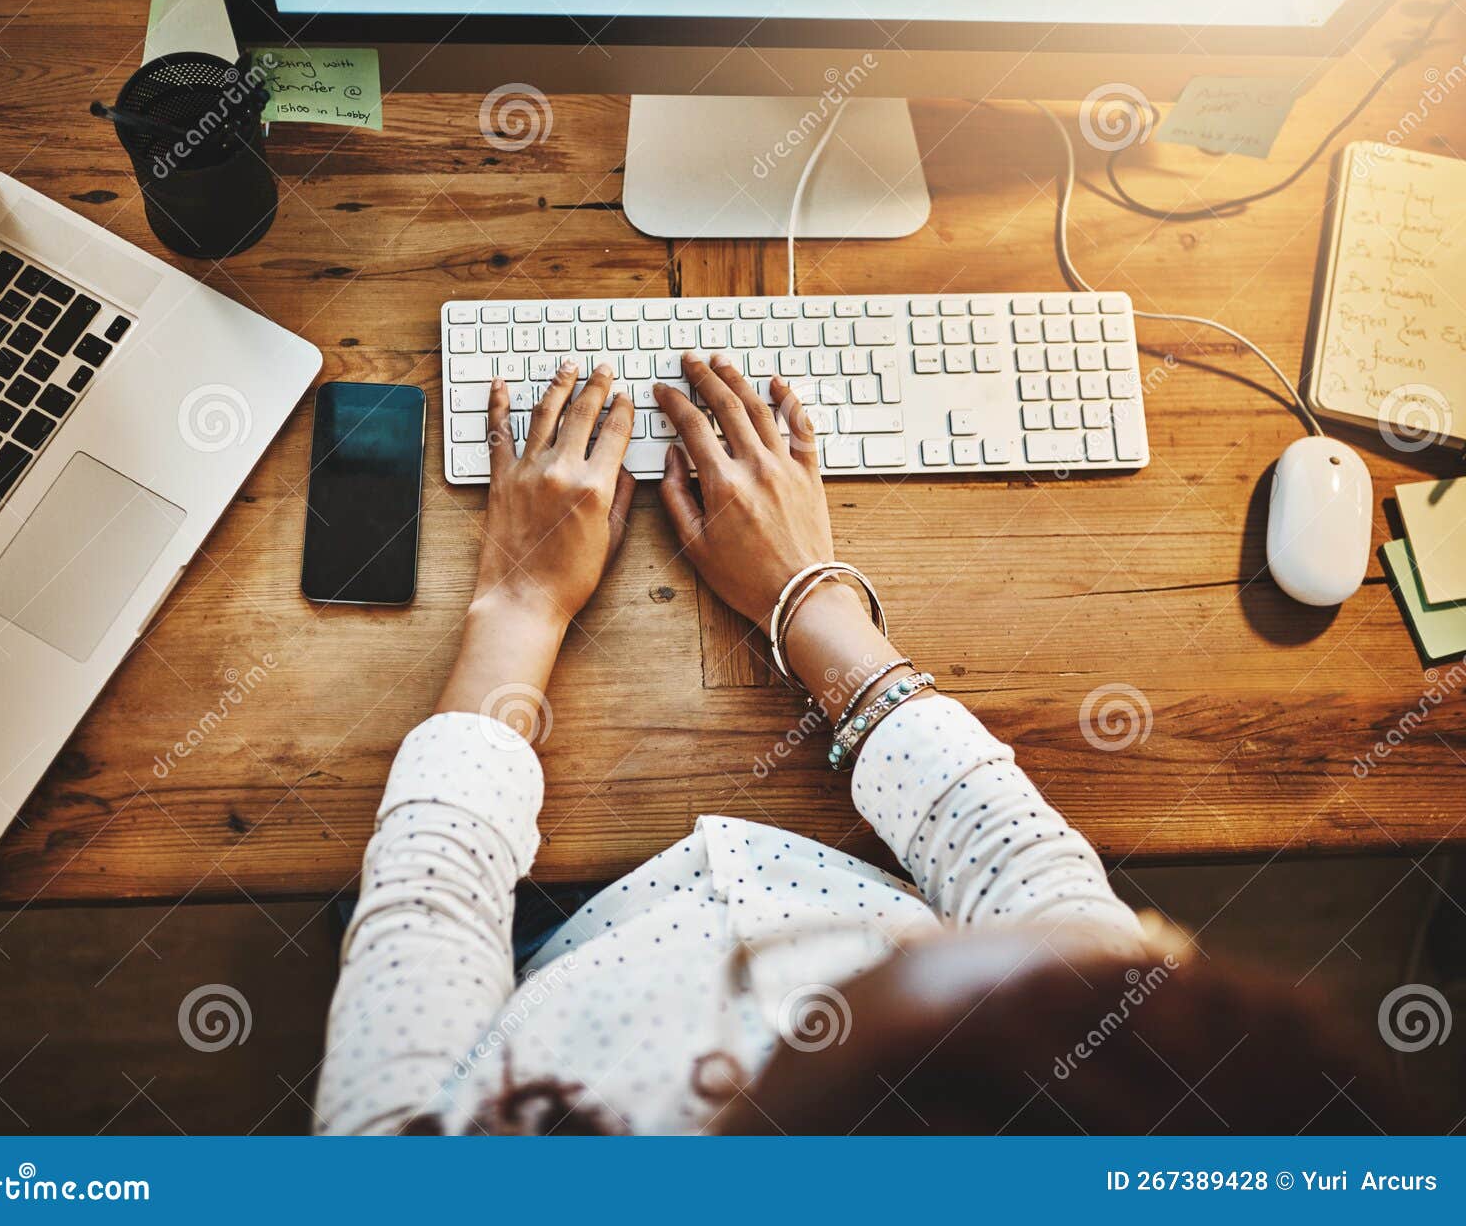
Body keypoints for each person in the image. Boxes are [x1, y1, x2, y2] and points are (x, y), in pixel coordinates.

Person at [314, 354, 1401, 1136]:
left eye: (901, 961)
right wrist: (810, 600)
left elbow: (429, 901)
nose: (1092, 943)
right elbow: (1021, 867)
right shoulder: (1121, 1073)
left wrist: (514, 604)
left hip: (570, 946)